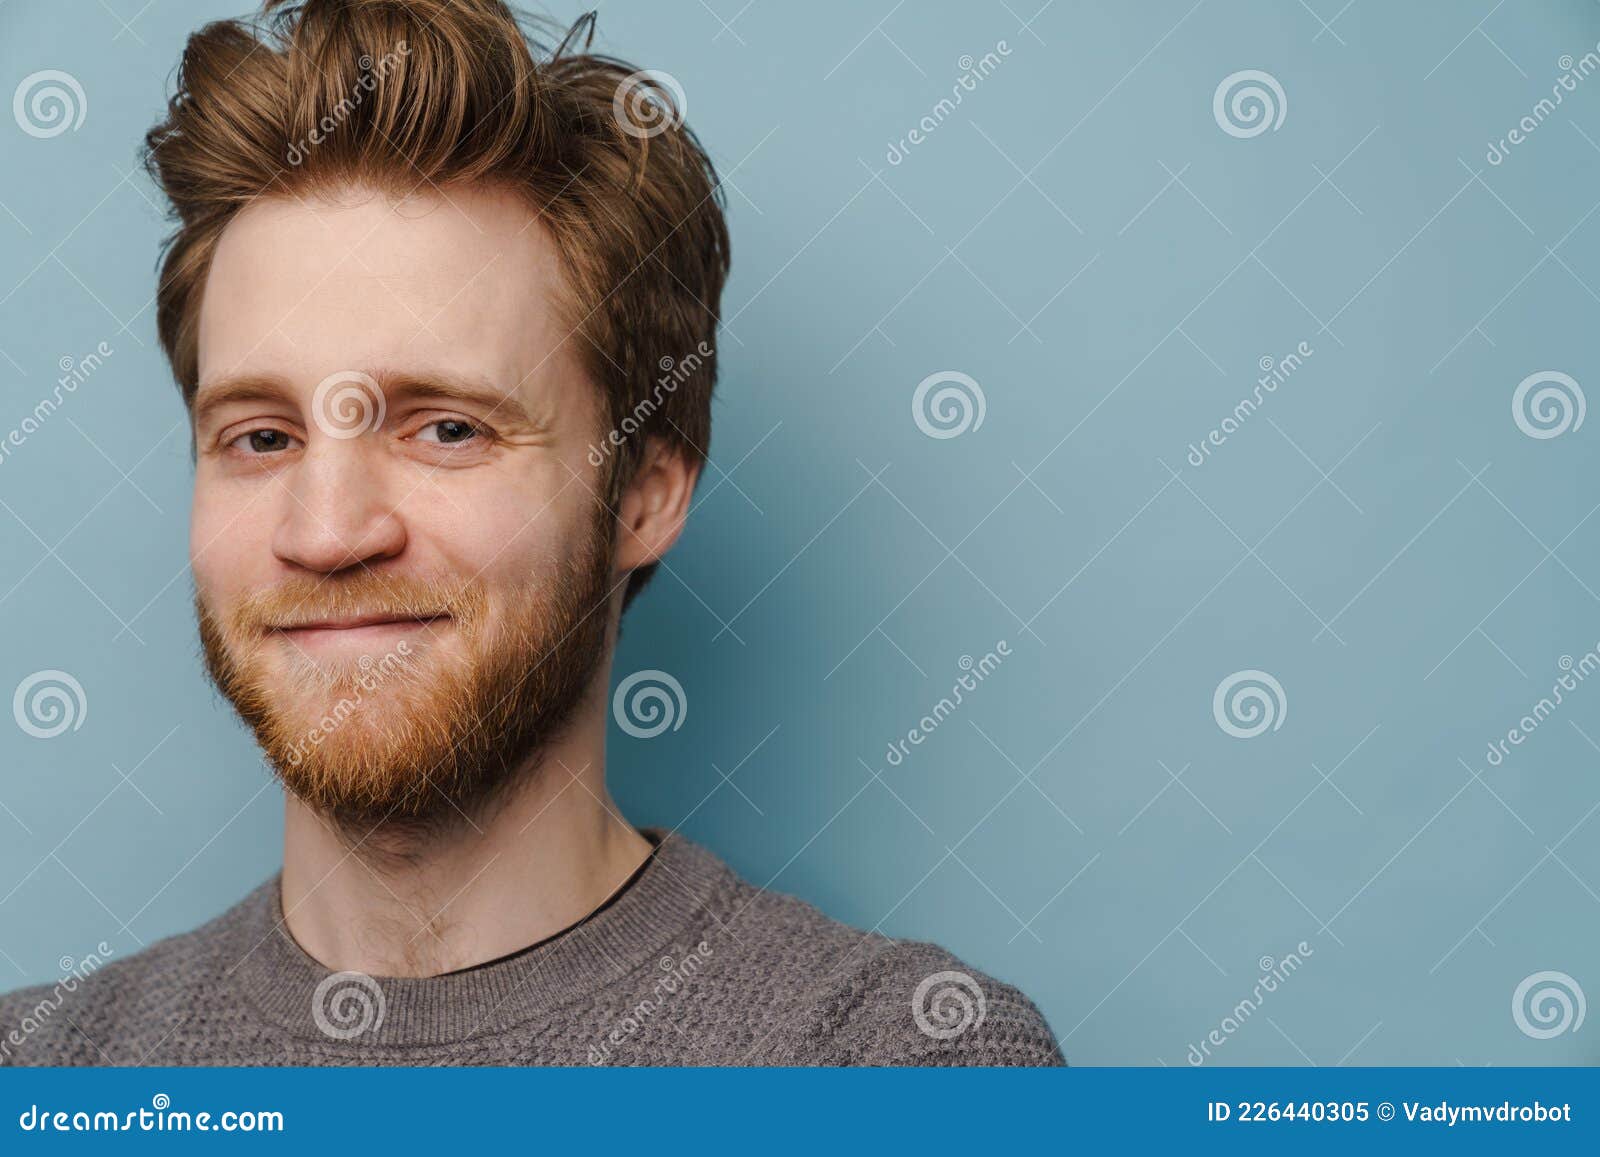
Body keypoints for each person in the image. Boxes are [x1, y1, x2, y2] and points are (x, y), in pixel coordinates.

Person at [0, 0, 1061, 1066]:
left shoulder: (895, 1064)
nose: (325, 533)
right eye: (263, 436)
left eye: (448, 428)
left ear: (644, 492)